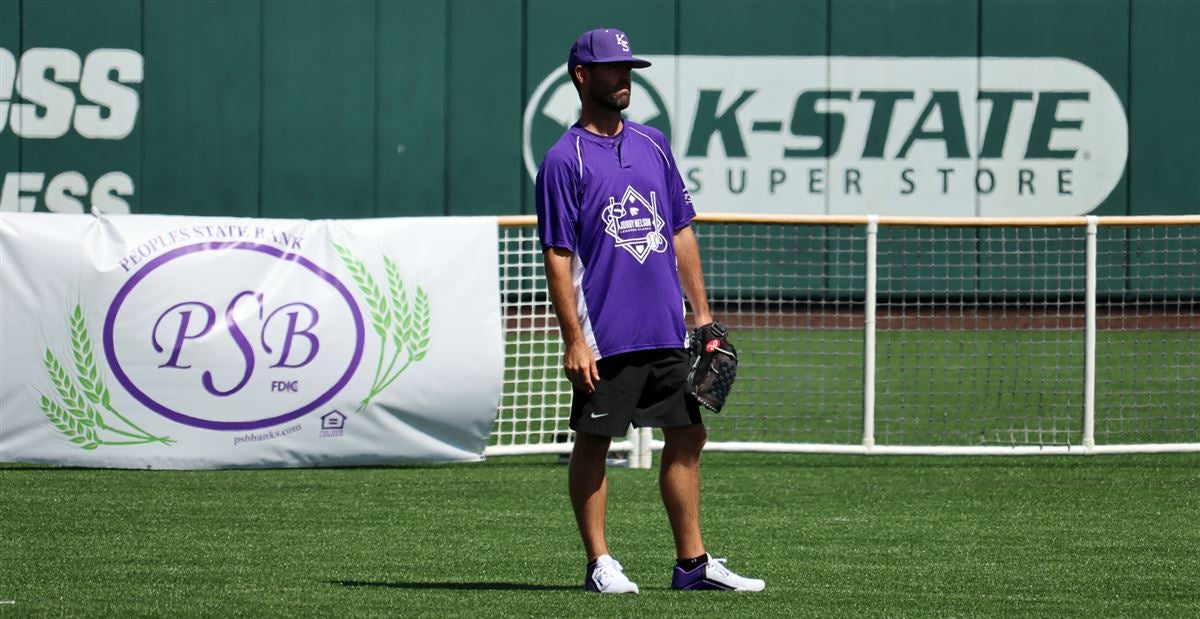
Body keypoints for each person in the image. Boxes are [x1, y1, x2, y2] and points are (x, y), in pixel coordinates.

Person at [534, 27, 765, 594]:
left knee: (688, 436)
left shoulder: (654, 143)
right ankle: (600, 563)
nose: (624, 77)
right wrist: (573, 339)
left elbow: (680, 232)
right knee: (595, 442)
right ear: (582, 76)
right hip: (605, 333)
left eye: (628, 67)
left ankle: (692, 564)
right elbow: (558, 256)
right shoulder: (565, 160)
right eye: (612, 68)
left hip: (664, 326)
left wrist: (702, 316)